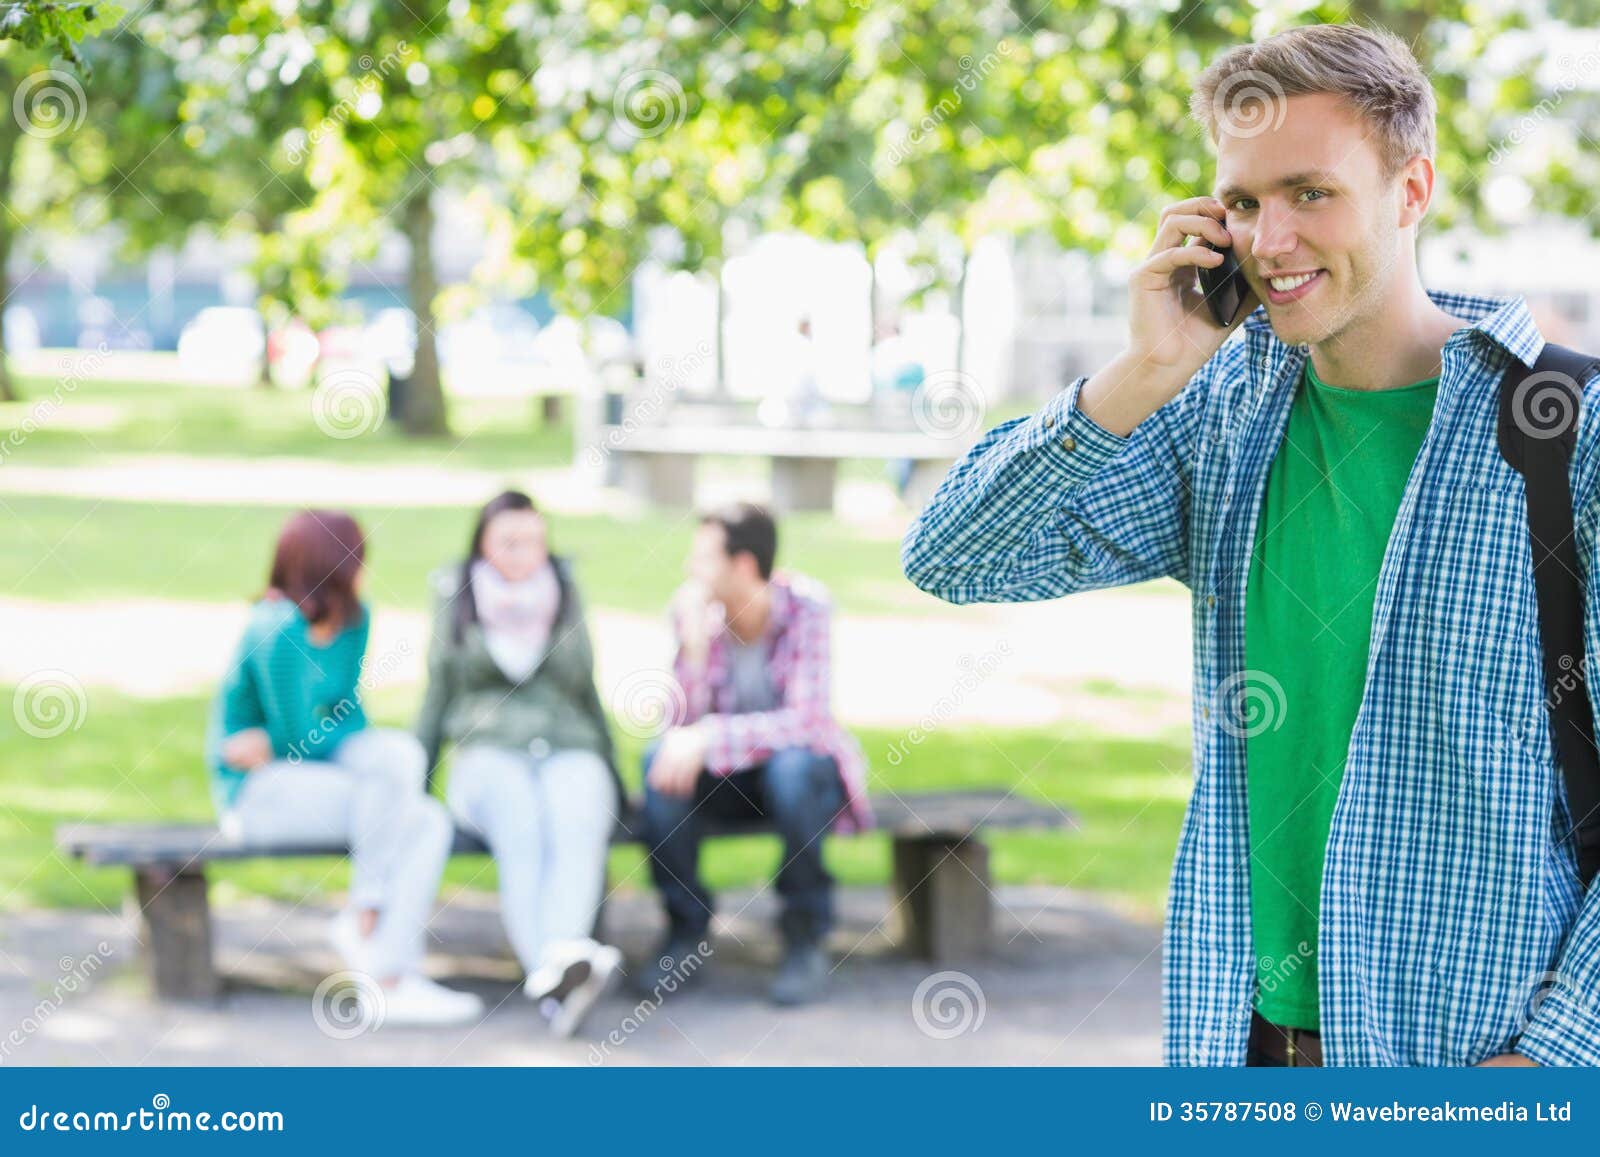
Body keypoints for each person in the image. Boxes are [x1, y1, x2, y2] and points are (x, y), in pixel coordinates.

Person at [905, 22, 1600, 1067]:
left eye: (1309, 193)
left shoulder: (1567, 432)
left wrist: (1552, 1063)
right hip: (1244, 1049)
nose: (1268, 241)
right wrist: (1141, 371)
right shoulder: (1218, 414)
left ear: (1410, 192)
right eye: (1241, 202)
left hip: (1477, 1064)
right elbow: (956, 554)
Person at [208, 510, 482, 1027]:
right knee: (401, 804)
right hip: (255, 793)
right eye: (358, 558)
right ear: (331, 565)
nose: (366, 569)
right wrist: (284, 741)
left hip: (303, 769)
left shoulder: (355, 619)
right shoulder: (277, 628)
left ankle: (385, 960)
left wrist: (277, 740)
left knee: (414, 788)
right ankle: (378, 948)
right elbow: (296, 735)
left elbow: (343, 715)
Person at [636, 502, 872, 1006]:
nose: (689, 570)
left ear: (743, 565)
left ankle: (805, 934)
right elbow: (677, 732)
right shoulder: (694, 612)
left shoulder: (807, 607)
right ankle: (686, 927)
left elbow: (807, 721)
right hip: (729, 782)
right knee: (656, 766)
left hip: (798, 780)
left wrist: (709, 736)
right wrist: (694, 649)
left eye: (702, 559)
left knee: (795, 769)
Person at [415, 491, 624, 1036]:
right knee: (523, 832)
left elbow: (588, 689)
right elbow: (437, 692)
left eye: (533, 541)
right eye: (508, 541)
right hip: (486, 753)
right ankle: (557, 972)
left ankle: (560, 974)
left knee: (577, 820)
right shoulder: (456, 594)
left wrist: (616, 776)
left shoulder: (565, 592)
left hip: (566, 744)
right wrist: (419, 782)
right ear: (483, 543)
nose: (522, 553)